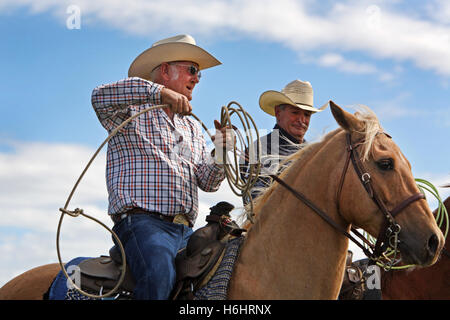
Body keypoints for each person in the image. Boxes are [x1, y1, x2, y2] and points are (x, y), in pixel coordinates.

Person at [91, 34, 230, 299]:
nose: (197, 79)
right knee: (159, 275)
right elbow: (99, 96)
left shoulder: (190, 126)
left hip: (187, 231)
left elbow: (207, 181)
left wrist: (221, 151)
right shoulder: (131, 111)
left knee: (225, 273)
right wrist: (159, 93)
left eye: (199, 74)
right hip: (142, 223)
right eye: (192, 70)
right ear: (165, 71)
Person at [243, 79, 327, 202]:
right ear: (278, 113)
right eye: (295, 112)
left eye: (307, 115)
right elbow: (256, 202)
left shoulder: (314, 153)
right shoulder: (259, 149)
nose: (302, 120)